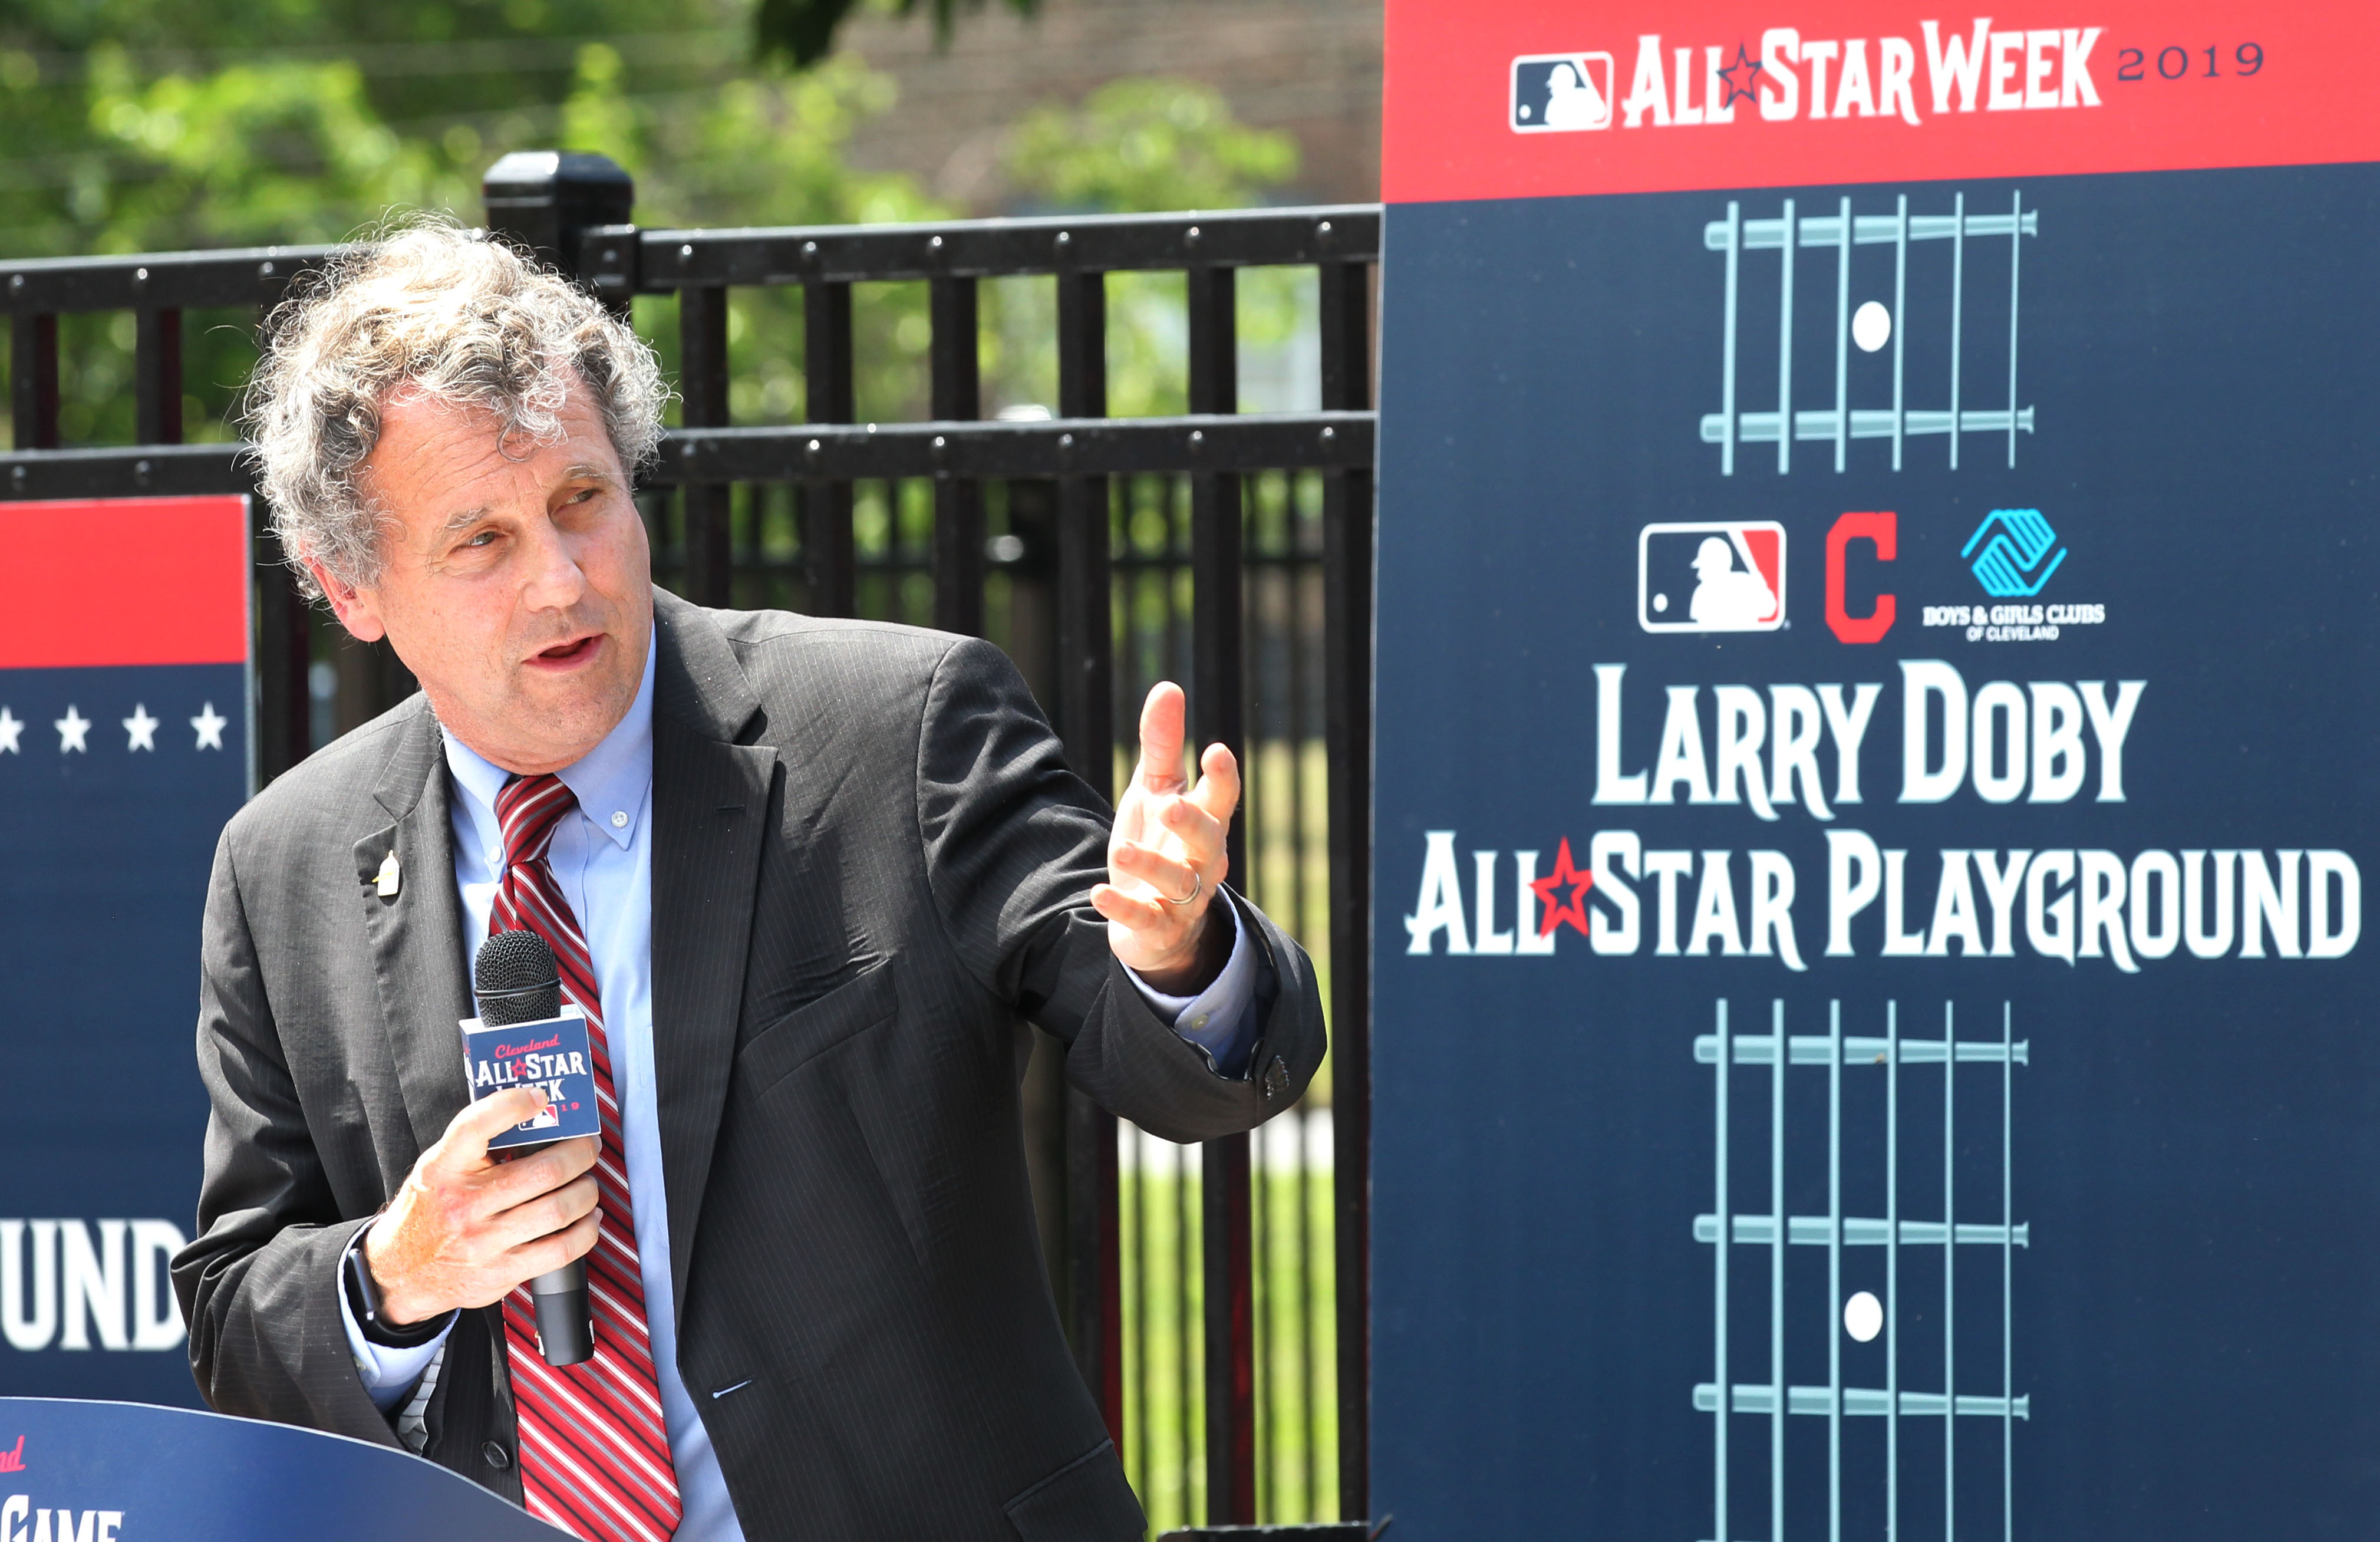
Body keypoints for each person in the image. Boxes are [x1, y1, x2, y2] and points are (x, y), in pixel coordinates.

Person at [172, 223, 1323, 1542]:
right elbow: (236, 1308)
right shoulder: (287, 864)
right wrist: (395, 1274)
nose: (562, 578)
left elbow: (1188, 1064)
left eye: (583, 501)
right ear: (350, 586)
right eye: (482, 540)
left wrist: (1177, 954)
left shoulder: (897, 727)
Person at [1687, 535, 1776, 627]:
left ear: (1715, 565)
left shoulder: (1746, 583)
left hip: (1748, 640)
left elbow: (1769, 609)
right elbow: (1699, 629)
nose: (1700, 573)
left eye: (1704, 567)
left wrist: (1761, 588)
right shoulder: (1702, 592)